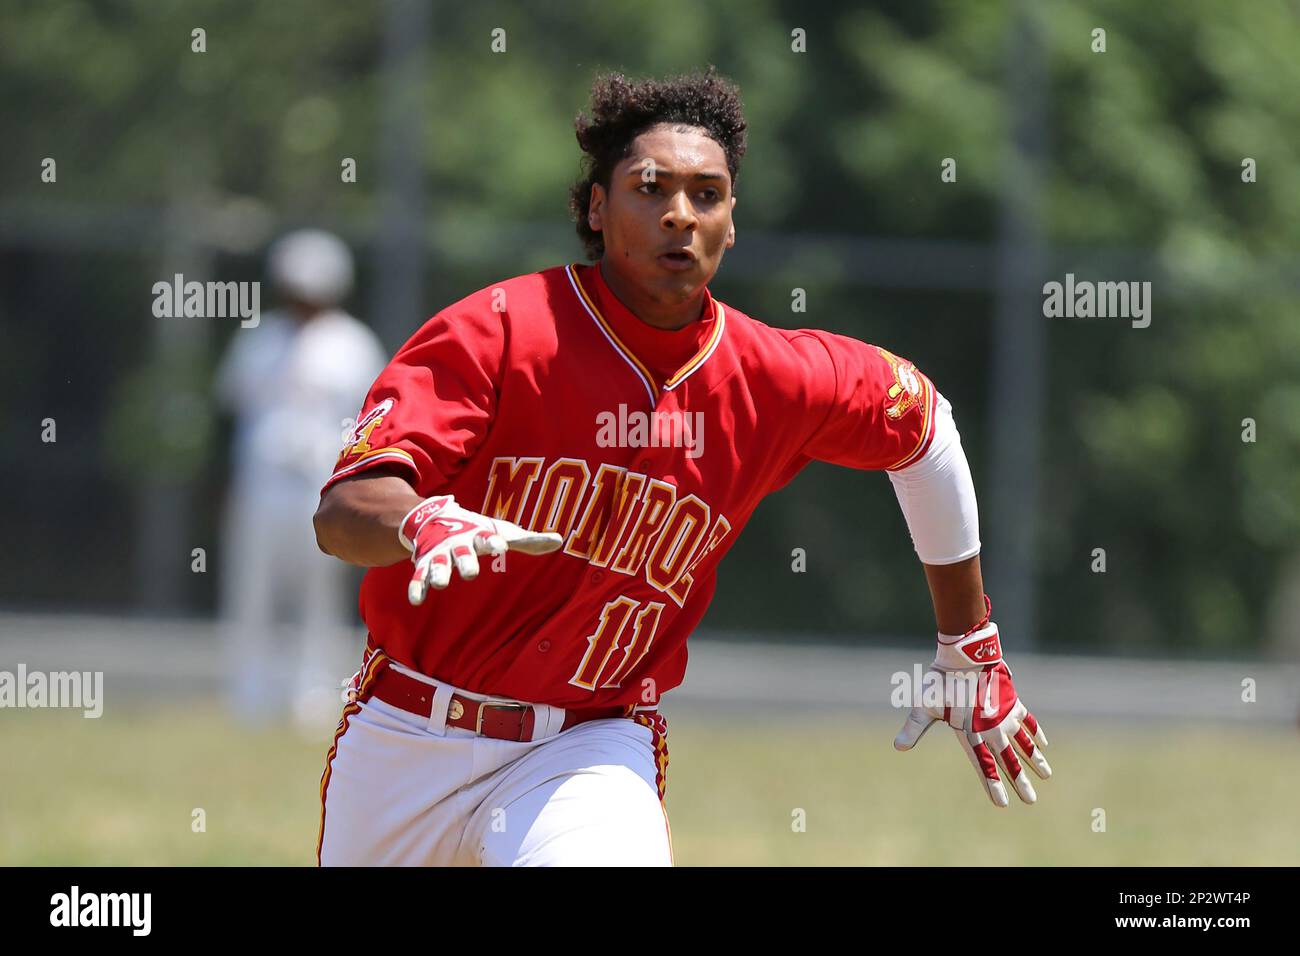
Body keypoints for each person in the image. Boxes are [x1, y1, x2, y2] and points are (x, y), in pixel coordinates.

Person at [312, 68, 1052, 866]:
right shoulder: (499, 332)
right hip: (408, 735)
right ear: (597, 208)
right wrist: (420, 519)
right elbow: (345, 511)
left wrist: (969, 639)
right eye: (649, 187)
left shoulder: (773, 377)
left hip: (585, 753)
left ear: (732, 223)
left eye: (708, 194)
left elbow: (925, 429)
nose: (679, 213)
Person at [215, 229, 386, 729]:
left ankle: (312, 692)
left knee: (319, 590)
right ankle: (251, 691)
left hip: (323, 485)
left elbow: (370, 422)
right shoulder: (259, 339)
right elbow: (233, 413)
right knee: (252, 585)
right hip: (261, 482)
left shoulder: (353, 344)